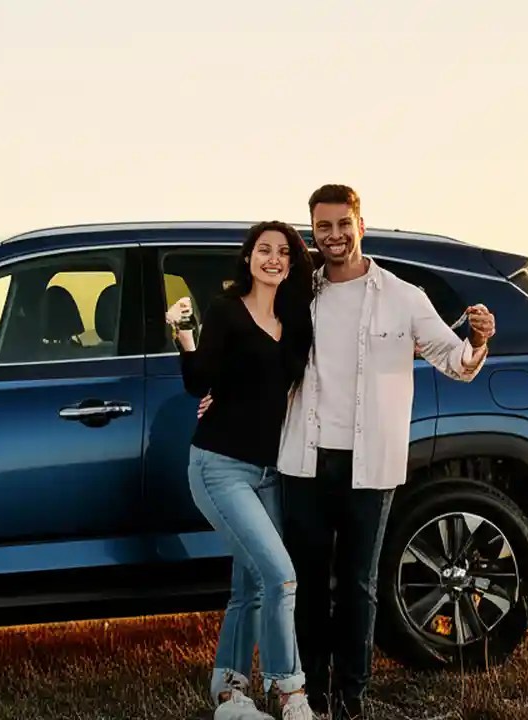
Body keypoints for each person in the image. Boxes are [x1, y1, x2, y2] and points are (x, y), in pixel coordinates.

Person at [198, 185, 496, 719]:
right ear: (313, 230)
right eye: (323, 227)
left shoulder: (403, 298)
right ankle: (308, 698)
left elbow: (454, 360)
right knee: (306, 585)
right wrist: (223, 395)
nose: (333, 236)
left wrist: (477, 342)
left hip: (370, 465)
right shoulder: (298, 293)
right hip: (304, 461)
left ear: (361, 224)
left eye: (343, 225)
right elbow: (255, 347)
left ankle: (351, 701)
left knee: (359, 586)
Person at [165, 220, 317, 720]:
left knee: (251, 584)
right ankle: (289, 692)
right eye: (263, 250)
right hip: (219, 466)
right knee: (282, 578)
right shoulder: (226, 311)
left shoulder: (296, 319)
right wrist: (183, 334)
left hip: (269, 471)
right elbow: (198, 381)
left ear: (292, 264)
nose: (272, 258)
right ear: (248, 257)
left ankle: (230, 692)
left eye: (282, 252)